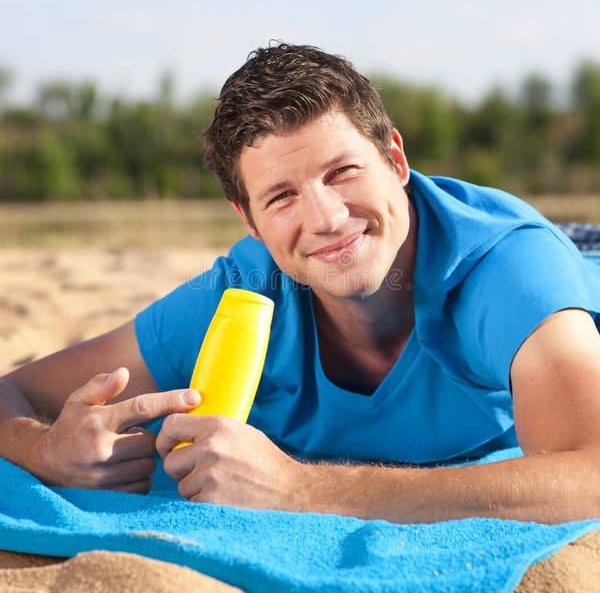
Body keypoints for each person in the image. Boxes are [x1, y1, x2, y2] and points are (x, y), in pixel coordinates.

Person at [1, 43, 600, 523]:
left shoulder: (503, 270)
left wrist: (298, 486)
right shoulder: (241, 292)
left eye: (343, 172)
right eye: (282, 197)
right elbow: (11, 396)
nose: (325, 219)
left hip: (573, 257)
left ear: (395, 159)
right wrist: (46, 449)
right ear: (249, 220)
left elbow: (590, 475)